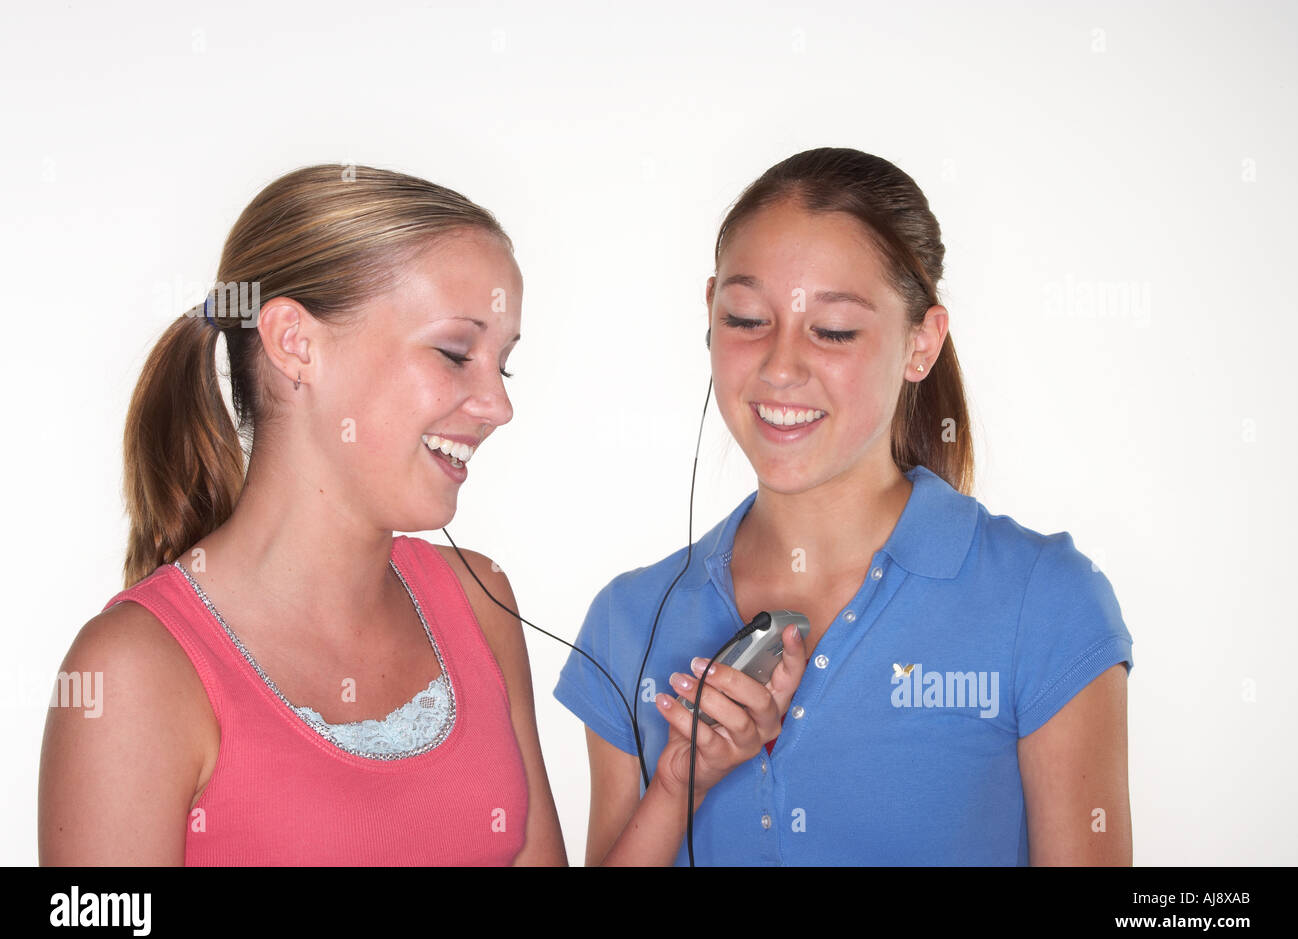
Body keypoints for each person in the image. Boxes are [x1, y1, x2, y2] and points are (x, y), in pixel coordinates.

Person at [554, 147, 1134, 866]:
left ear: (921, 343)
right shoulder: (628, 621)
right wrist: (680, 785)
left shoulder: (1043, 600)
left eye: (832, 331)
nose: (780, 367)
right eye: (744, 319)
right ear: (709, 312)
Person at [38, 164, 568, 864]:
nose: (498, 406)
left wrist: (679, 779)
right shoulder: (131, 674)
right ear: (295, 343)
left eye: (502, 366)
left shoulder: (480, 598)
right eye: (454, 353)